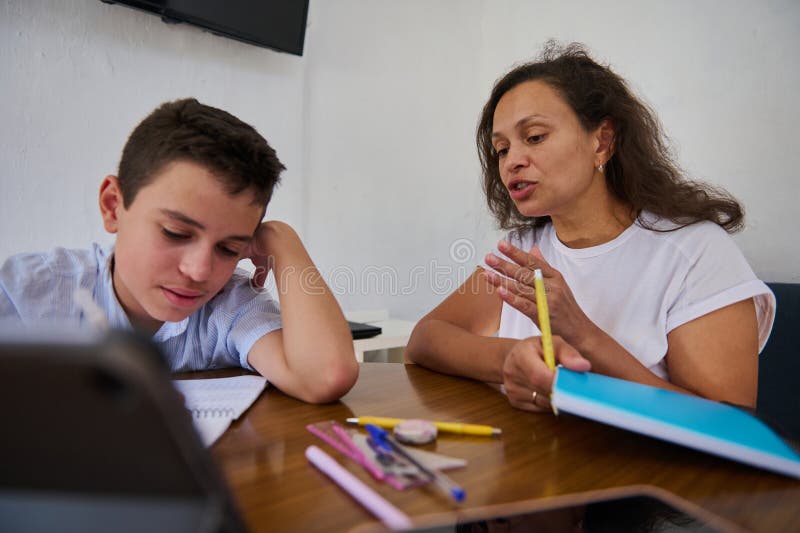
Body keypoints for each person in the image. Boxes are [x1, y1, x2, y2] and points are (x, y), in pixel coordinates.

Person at [406, 42, 774, 412]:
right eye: (501, 149)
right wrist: (511, 358)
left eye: (534, 137)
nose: (512, 161)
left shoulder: (695, 251)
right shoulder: (524, 247)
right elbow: (425, 339)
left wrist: (581, 334)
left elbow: (730, 425)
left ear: (602, 141)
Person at [0, 98, 358, 404]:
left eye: (229, 248)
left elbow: (326, 375)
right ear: (113, 206)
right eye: (175, 232)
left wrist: (283, 241)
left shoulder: (229, 304)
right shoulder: (29, 293)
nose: (200, 271)